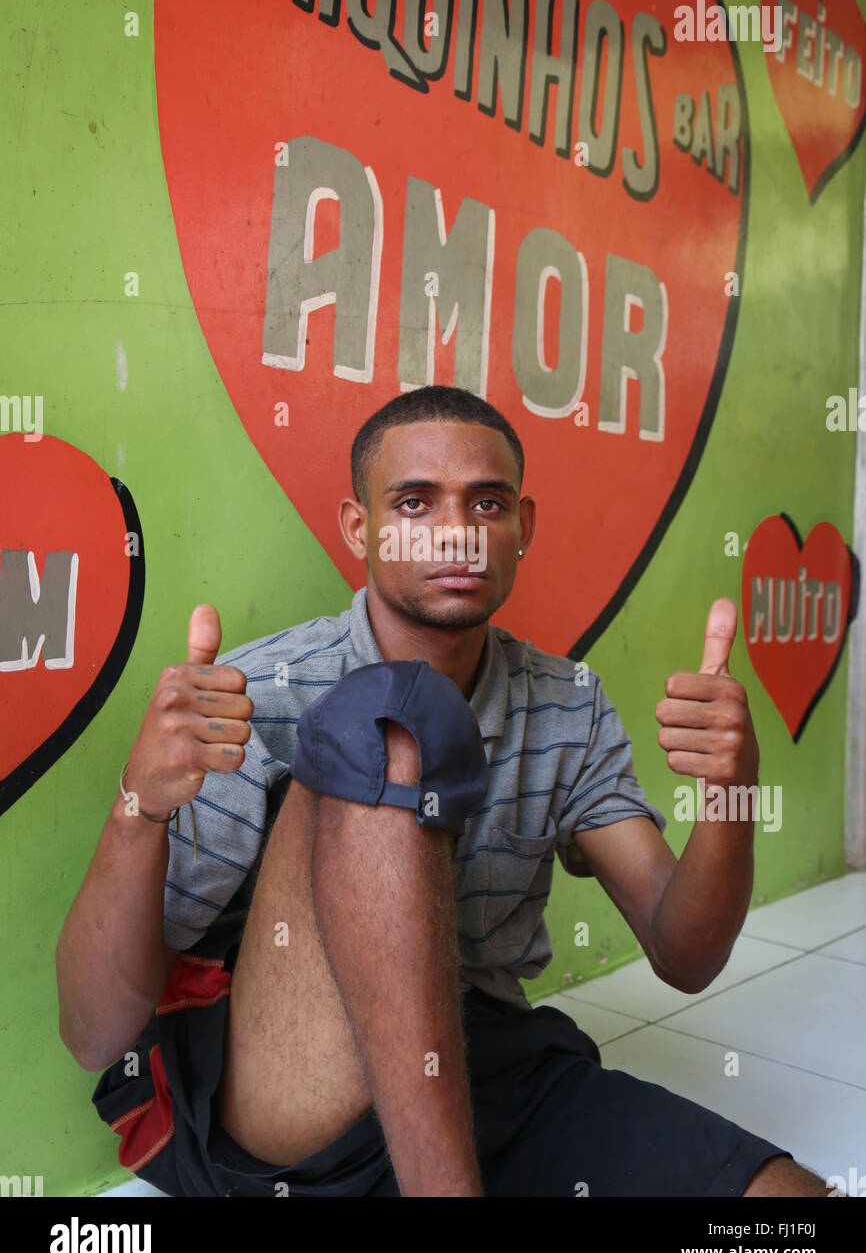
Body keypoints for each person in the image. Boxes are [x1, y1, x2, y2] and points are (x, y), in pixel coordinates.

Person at [56, 385, 830, 1197]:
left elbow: (685, 954)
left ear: (521, 528)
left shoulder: (568, 703)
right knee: (396, 718)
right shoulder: (259, 693)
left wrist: (732, 795)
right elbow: (93, 1032)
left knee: (787, 1209)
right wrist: (138, 807)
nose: (459, 533)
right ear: (361, 529)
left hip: (479, 1071)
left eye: (487, 503)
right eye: (416, 504)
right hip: (293, 1106)